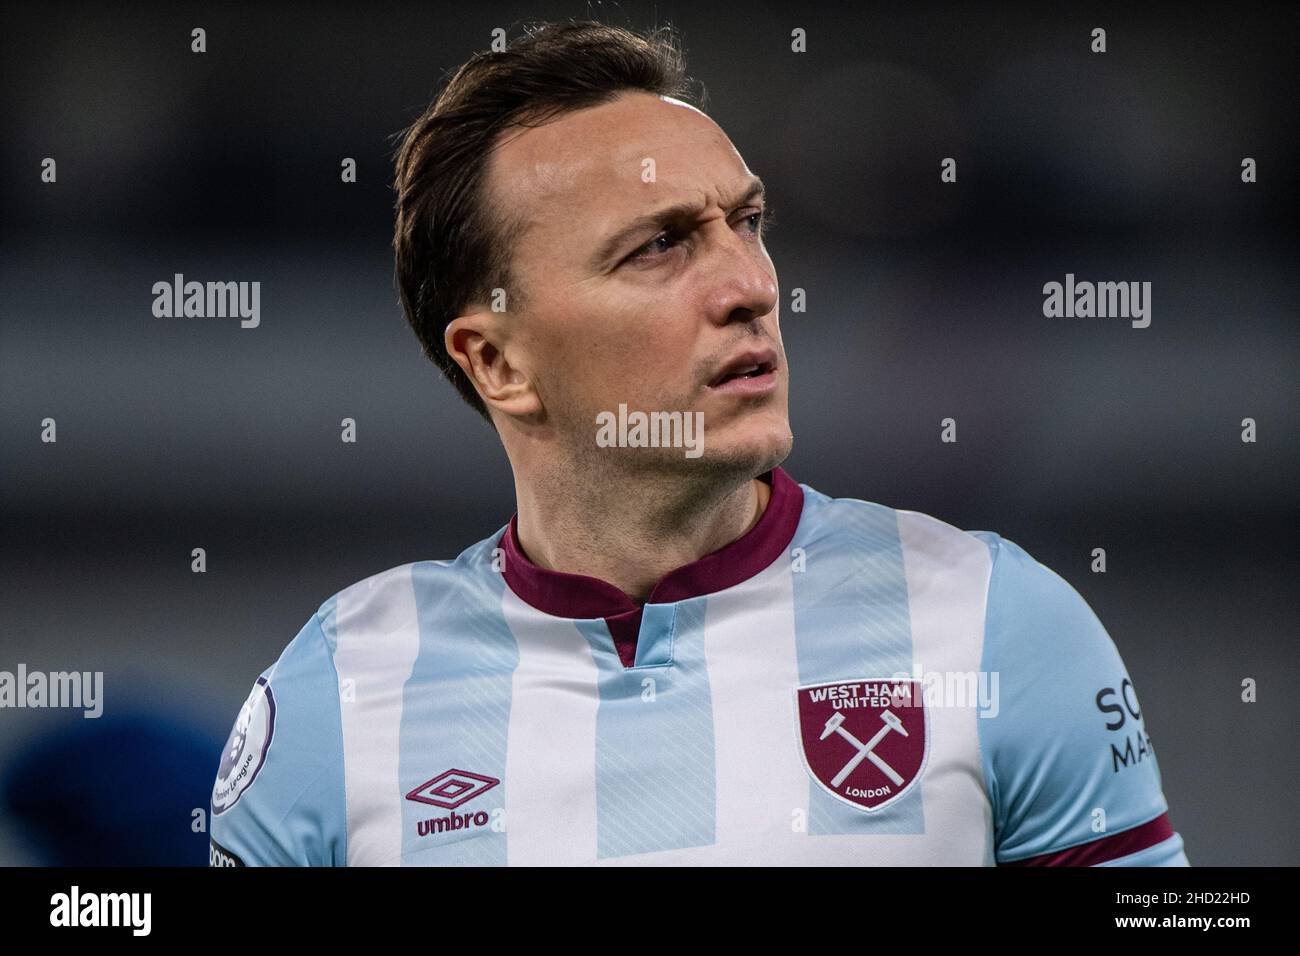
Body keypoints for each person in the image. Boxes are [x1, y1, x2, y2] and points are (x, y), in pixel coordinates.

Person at [209, 19, 1187, 866]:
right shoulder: (336, 694)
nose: (751, 284)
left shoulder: (994, 621)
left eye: (746, 222)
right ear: (498, 361)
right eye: (659, 245)